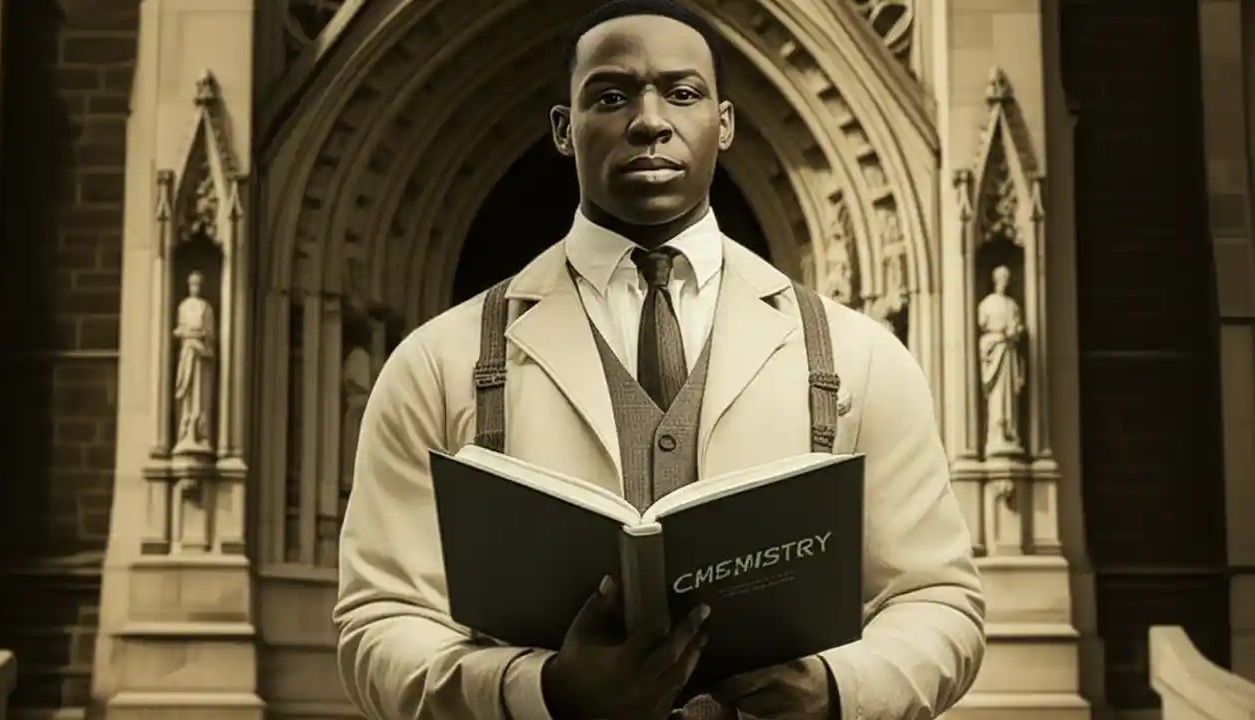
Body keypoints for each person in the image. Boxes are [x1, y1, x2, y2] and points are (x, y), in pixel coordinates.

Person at [333, 0, 986, 718]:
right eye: (611, 96)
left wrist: (836, 690)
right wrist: (542, 692)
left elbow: (937, 601)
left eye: (682, 93)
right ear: (562, 129)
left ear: (725, 122)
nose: (649, 120)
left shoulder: (859, 356)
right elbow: (380, 625)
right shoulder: (437, 362)